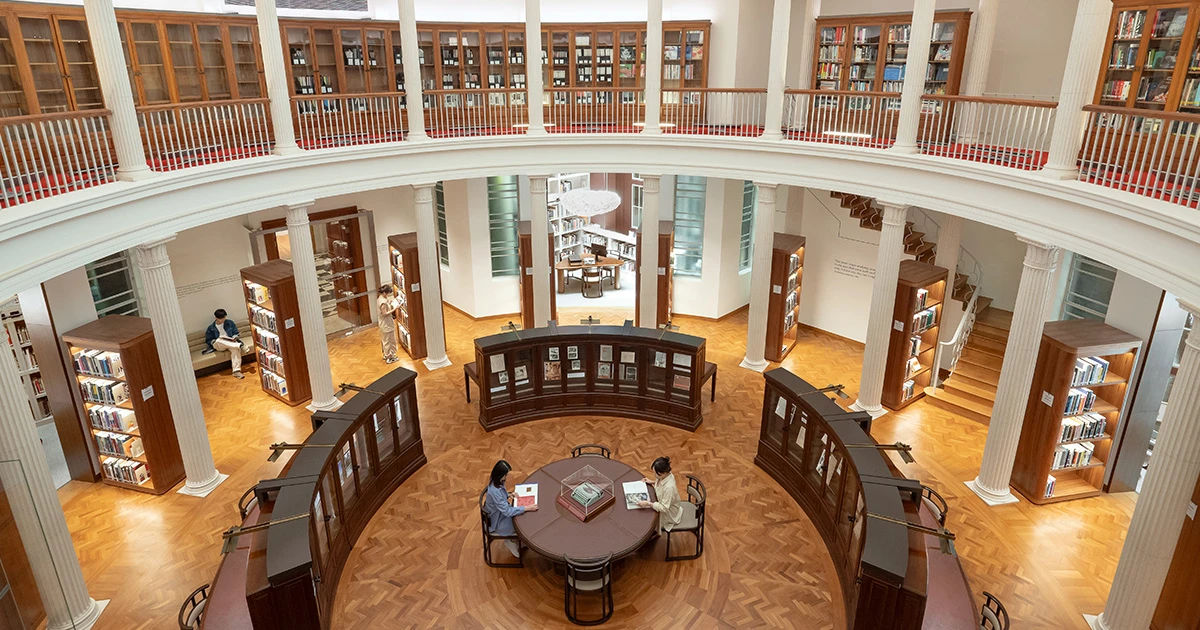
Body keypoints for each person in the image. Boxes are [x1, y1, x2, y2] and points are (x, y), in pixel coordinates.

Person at [484, 460, 537, 557]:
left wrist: (509, 495)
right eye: (505, 475)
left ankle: (518, 540)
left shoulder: (497, 482)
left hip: (501, 513)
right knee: (521, 524)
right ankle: (511, 541)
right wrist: (526, 508)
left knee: (522, 516)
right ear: (499, 475)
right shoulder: (494, 491)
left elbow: (500, 498)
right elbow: (507, 512)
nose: (506, 477)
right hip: (498, 521)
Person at [638, 456, 683, 534]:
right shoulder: (667, 475)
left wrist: (648, 503)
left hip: (668, 513)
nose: (655, 475)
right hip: (664, 504)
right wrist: (651, 481)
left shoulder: (669, 488)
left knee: (646, 519)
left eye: (656, 474)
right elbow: (661, 483)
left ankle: (650, 534)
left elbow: (664, 508)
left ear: (664, 473)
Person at [203, 308, 244, 379]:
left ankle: (236, 372)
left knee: (235, 349)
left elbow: (236, 333)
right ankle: (240, 345)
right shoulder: (211, 328)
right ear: (216, 318)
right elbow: (208, 340)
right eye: (221, 319)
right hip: (219, 345)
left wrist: (235, 337)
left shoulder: (230, 323)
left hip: (230, 343)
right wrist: (213, 341)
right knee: (219, 340)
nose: (223, 320)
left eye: (224, 318)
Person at [377, 285, 401, 364]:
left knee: (386, 340)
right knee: (389, 340)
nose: (388, 295)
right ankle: (390, 356)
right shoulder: (383, 302)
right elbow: (385, 313)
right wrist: (395, 308)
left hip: (384, 323)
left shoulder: (380, 298)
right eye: (387, 293)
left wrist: (390, 302)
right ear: (384, 292)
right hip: (386, 323)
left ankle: (387, 354)